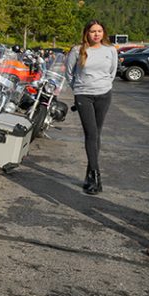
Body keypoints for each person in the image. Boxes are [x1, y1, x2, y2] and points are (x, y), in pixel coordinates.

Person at [65, 20, 117, 195]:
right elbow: (69, 73)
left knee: (97, 133)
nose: (96, 34)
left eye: (100, 31)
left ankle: (89, 175)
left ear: (104, 33)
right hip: (84, 96)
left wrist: (102, 86)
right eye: (93, 31)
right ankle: (96, 177)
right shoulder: (77, 50)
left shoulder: (110, 50)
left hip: (104, 95)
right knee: (91, 133)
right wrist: (79, 89)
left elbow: (112, 72)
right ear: (86, 33)